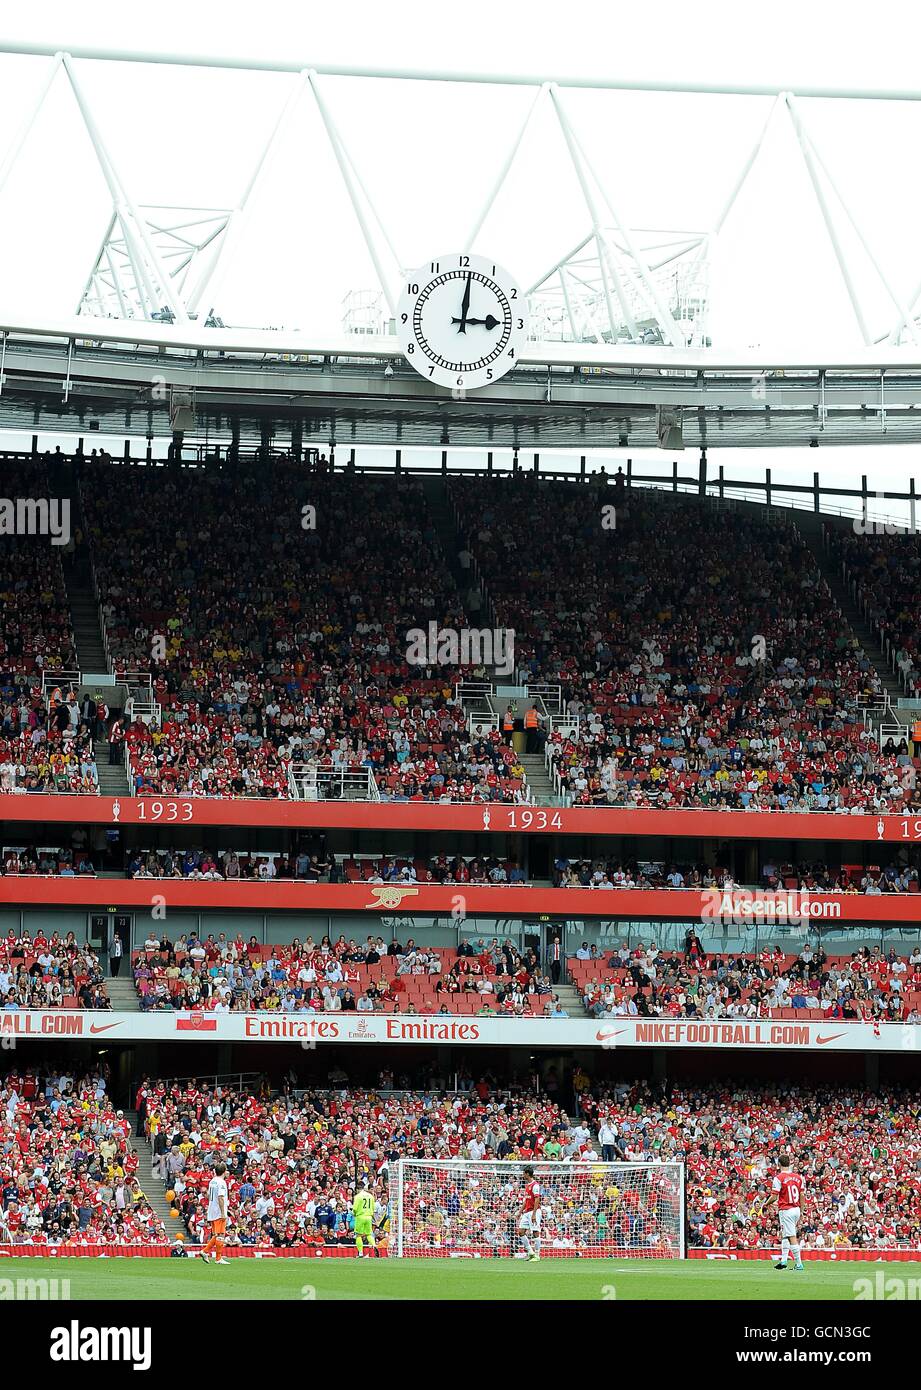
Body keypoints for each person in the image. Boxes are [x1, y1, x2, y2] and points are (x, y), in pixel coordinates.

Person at [767, 1153, 804, 1272]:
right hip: (796, 1208)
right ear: (790, 1163)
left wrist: (766, 1204)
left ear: (779, 1164)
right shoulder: (798, 1177)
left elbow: (774, 1196)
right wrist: (801, 1211)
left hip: (786, 1209)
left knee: (791, 1236)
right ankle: (783, 1260)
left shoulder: (779, 1178)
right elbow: (802, 1195)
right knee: (785, 1234)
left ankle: (799, 1264)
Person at [200, 1162, 230, 1265]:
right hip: (218, 1211)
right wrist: (222, 1212)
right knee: (221, 1234)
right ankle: (218, 1258)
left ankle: (205, 1251)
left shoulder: (212, 1181)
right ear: (224, 1171)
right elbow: (221, 1197)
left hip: (212, 1210)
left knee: (217, 1234)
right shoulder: (221, 1182)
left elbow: (208, 1195)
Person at [518, 1165, 541, 1263]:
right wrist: (520, 1211)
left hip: (534, 1211)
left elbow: (537, 1199)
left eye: (523, 1173)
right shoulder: (527, 1185)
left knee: (535, 1232)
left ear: (527, 1174)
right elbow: (526, 1200)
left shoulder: (535, 1185)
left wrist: (534, 1214)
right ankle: (531, 1252)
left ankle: (537, 1254)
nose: (523, 1175)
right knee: (521, 1231)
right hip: (527, 1212)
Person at [352, 1181, 377, 1258]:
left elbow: (355, 1208)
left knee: (358, 1235)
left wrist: (354, 1214)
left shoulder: (358, 1196)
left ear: (357, 1189)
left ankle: (360, 1253)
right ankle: (374, 1245)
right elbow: (373, 1209)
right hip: (369, 1217)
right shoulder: (371, 1196)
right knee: (369, 1234)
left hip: (360, 1216)